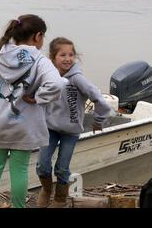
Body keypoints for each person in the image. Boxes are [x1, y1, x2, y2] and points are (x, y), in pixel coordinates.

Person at [0, 14, 64, 208]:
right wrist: (39, 97)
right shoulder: (39, 60)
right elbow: (56, 84)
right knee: (20, 170)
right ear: (38, 36)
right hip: (25, 127)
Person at [36, 37, 112, 207]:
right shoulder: (48, 75)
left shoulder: (77, 78)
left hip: (71, 131)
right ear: (52, 58)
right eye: (63, 55)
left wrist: (98, 121)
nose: (68, 58)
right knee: (42, 165)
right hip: (50, 128)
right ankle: (47, 190)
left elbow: (100, 100)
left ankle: (60, 199)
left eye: (71, 55)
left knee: (62, 168)